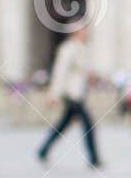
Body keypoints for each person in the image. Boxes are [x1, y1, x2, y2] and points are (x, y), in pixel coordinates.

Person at [36, 25, 102, 169]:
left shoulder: (82, 48)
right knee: (88, 125)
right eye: (83, 30)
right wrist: (53, 94)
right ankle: (94, 159)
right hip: (72, 95)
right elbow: (60, 72)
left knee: (63, 125)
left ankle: (43, 150)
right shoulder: (67, 49)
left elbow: (84, 70)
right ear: (76, 32)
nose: (86, 33)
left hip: (79, 93)